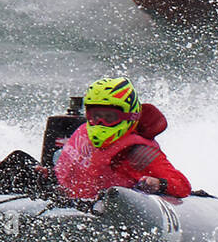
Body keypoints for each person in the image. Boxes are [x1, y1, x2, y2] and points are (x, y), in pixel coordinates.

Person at [54, 77, 191, 199]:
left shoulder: (139, 153)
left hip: (105, 211)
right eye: (96, 116)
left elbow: (182, 186)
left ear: (130, 115)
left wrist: (157, 184)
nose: (101, 123)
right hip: (67, 199)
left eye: (109, 117)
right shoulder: (83, 132)